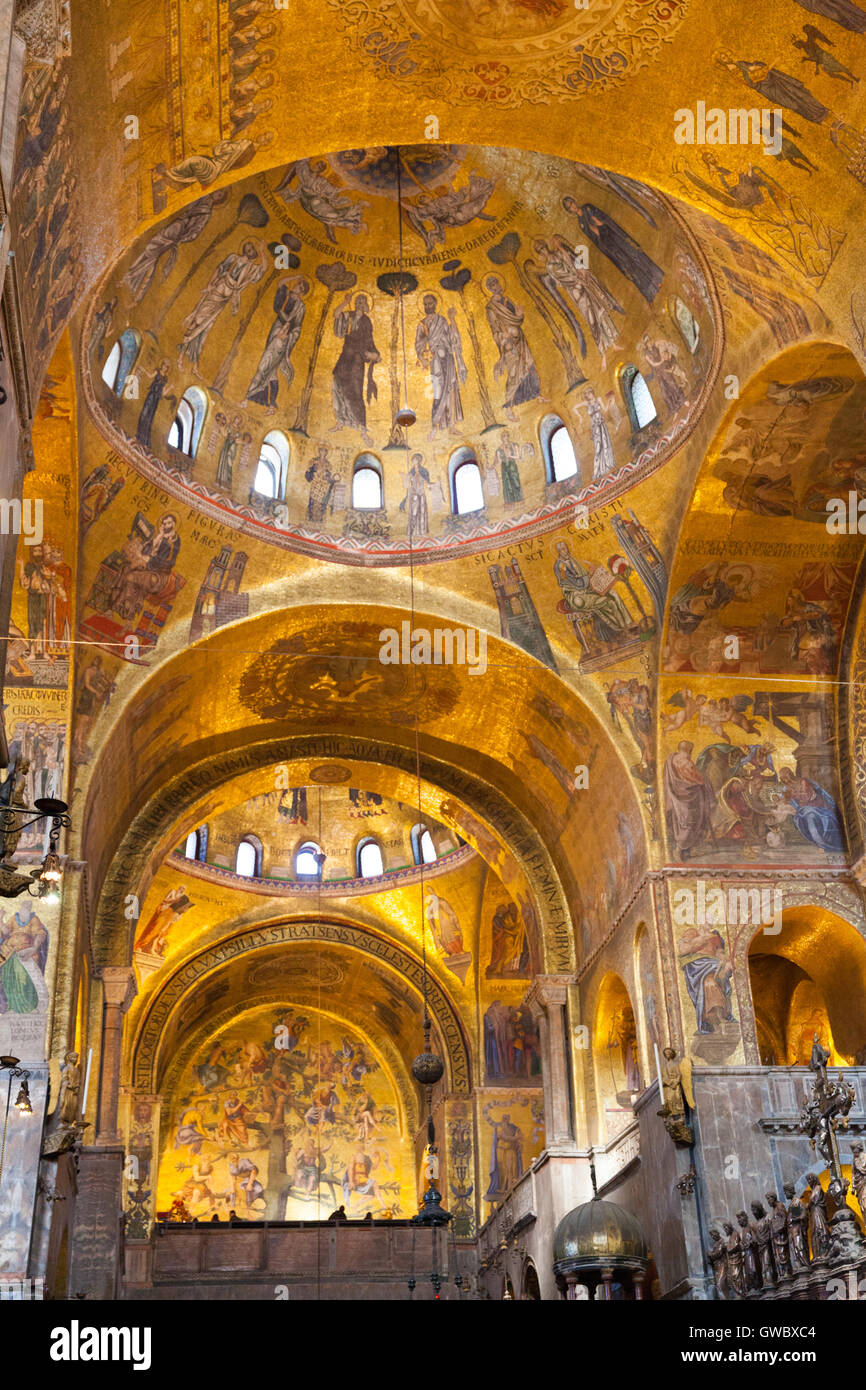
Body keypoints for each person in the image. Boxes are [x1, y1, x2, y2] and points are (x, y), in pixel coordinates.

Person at [415, 293, 467, 439]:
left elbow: (452, 338)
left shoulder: (442, 320)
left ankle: (450, 426)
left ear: (436, 304)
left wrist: (452, 319)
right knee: (438, 391)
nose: (427, 307)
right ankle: (435, 425)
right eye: (425, 304)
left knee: (450, 388)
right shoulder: (422, 324)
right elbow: (418, 345)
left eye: (430, 303)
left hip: (448, 359)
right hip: (435, 360)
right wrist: (422, 357)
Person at [331, 293, 379, 442]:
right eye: (357, 301)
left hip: (357, 360)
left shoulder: (366, 321)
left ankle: (362, 428)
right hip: (345, 356)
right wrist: (345, 302)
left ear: (366, 306)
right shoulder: (349, 315)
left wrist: (374, 353)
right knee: (337, 385)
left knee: (356, 391)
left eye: (362, 302)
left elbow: (369, 340)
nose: (359, 303)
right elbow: (336, 314)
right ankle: (341, 420)